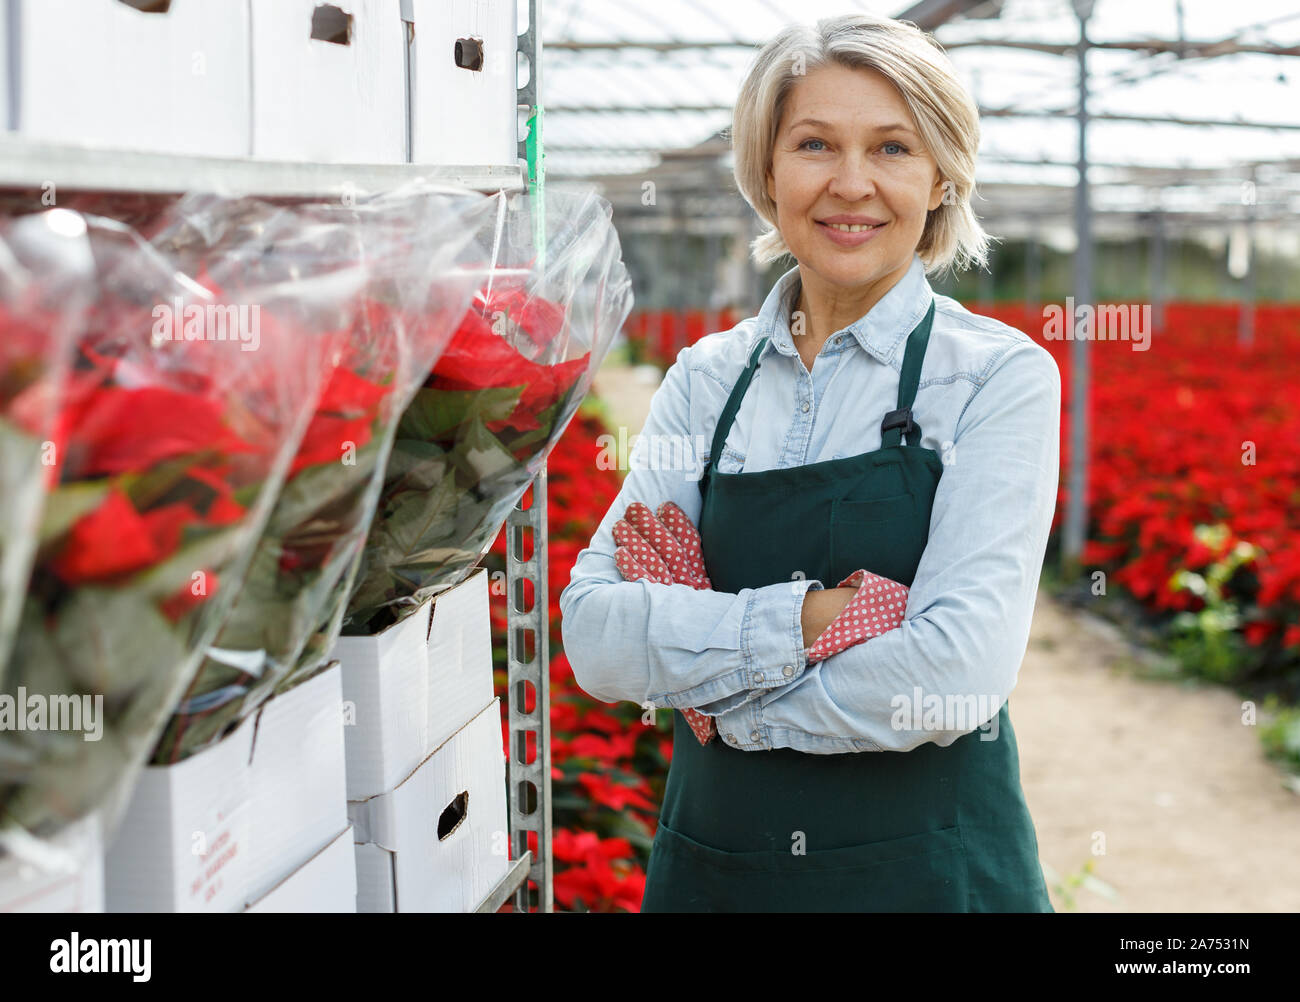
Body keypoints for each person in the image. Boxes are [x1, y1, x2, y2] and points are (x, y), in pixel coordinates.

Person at [559, 12, 1061, 913]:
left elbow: (954, 676)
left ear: (942, 176)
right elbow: (596, 635)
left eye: (894, 148)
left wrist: (720, 698)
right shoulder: (705, 383)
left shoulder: (995, 378)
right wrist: (815, 619)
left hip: (927, 876)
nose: (851, 184)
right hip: (716, 867)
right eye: (815, 144)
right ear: (768, 170)